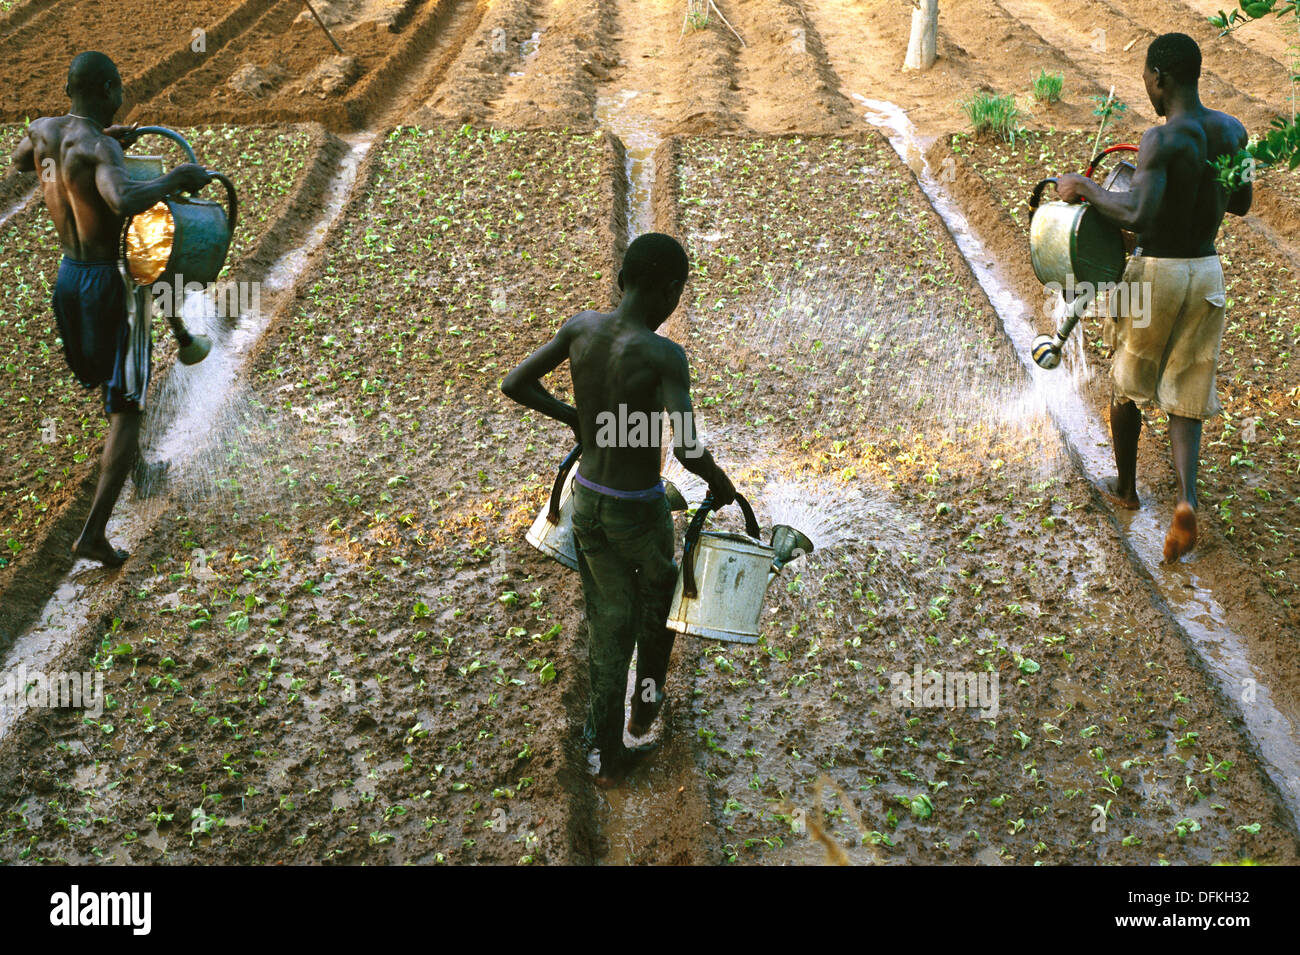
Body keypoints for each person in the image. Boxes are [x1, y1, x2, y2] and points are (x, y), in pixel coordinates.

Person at [501, 233, 737, 787]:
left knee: (609, 629)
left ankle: (609, 759)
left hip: (588, 504)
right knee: (659, 616)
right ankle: (644, 706)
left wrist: (575, 419)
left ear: (621, 281)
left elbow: (516, 383)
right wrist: (721, 485)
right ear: (670, 290)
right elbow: (687, 449)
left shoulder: (581, 327)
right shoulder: (663, 354)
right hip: (637, 510)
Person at [1054, 32, 1250, 563]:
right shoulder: (1234, 131)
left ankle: (1125, 486)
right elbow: (1244, 203)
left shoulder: (1160, 140)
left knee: (1127, 381)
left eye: (1146, 79)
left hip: (1157, 274)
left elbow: (1138, 215)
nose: (1148, 89)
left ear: (1160, 78)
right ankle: (1186, 501)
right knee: (1187, 392)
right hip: (1206, 274)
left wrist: (1085, 187)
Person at [11, 52, 212, 566]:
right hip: (107, 284)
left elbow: (20, 160)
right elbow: (122, 201)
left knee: (115, 380)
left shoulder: (43, 131)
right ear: (106, 88)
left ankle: (140, 471)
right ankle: (93, 534)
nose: (122, 94)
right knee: (128, 404)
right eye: (119, 87)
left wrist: (92, 149)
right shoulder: (98, 147)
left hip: (68, 278)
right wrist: (176, 179)